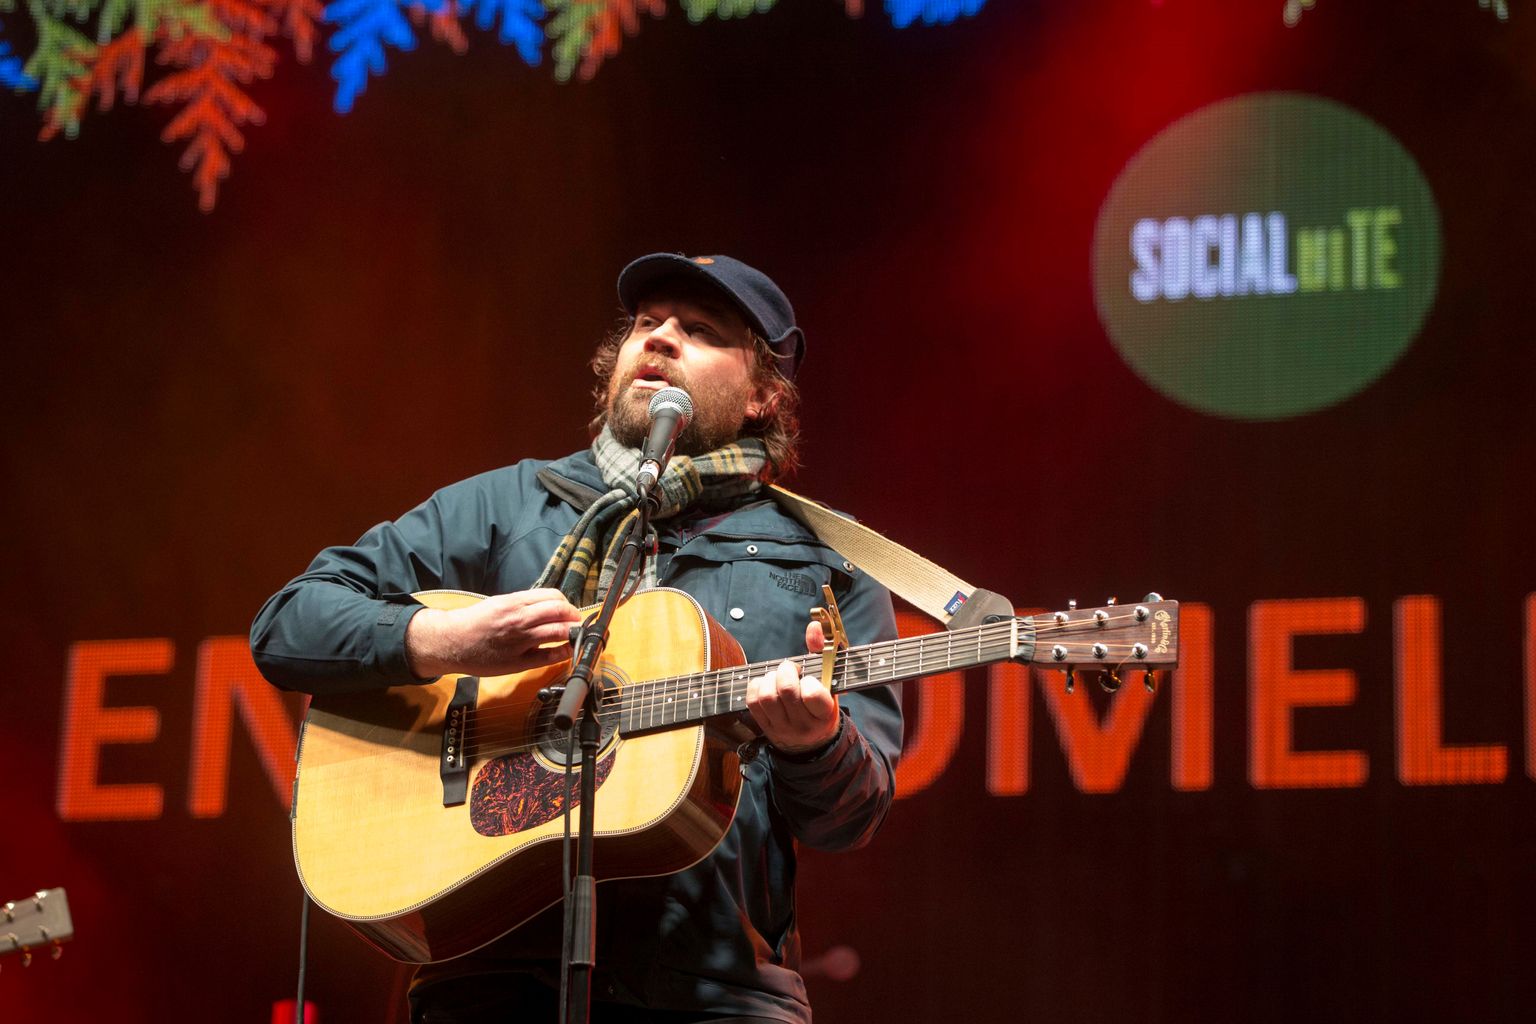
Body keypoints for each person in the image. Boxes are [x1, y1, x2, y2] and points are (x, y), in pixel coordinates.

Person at [250, 253, 903, 1024]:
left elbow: (847, 817)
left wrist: (815, 744)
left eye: (700, 331)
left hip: (716, 991)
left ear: (763, 394)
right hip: (489, 984)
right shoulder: (510, 505)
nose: (660, 338)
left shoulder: (831, 556)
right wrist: (445, 638)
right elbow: (288, 623)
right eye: (645, 322)